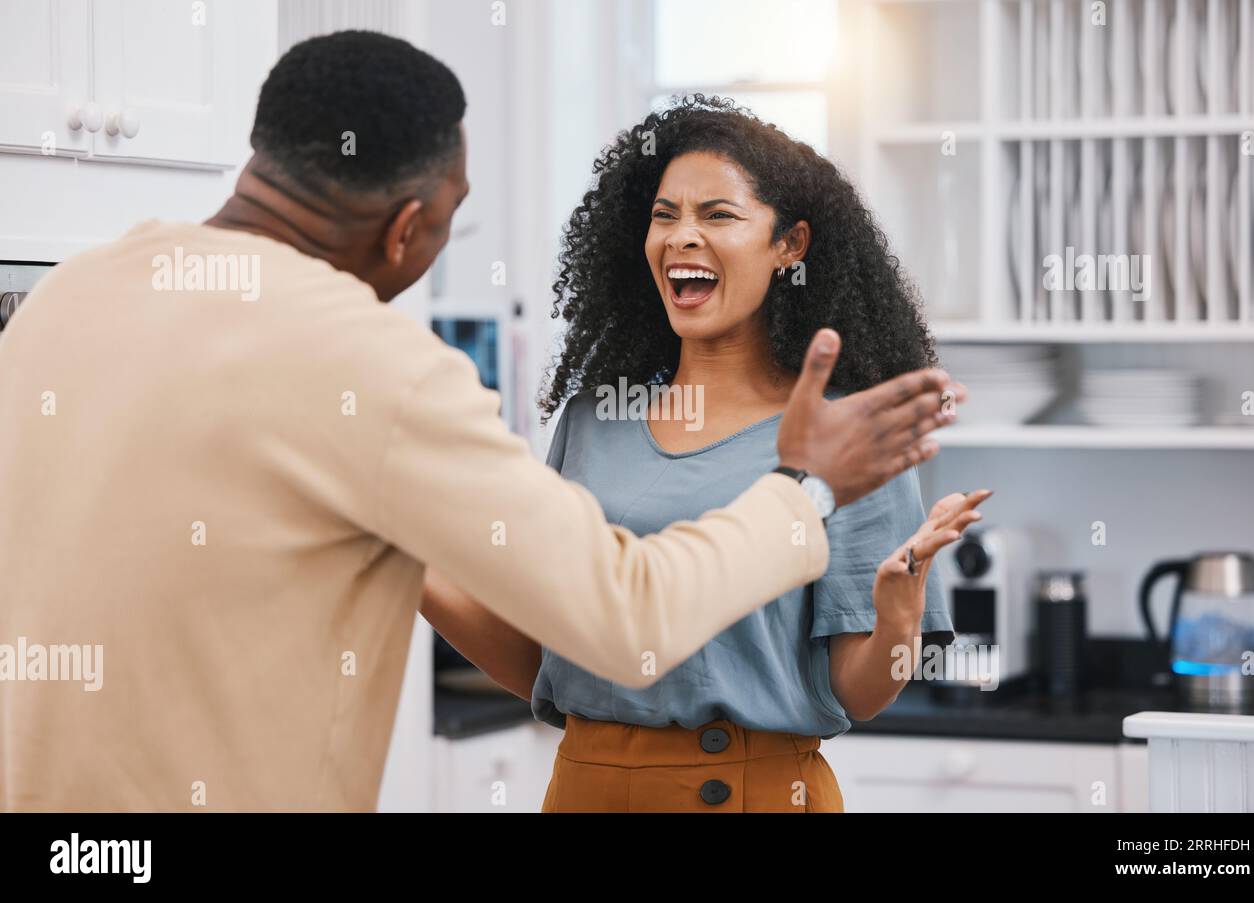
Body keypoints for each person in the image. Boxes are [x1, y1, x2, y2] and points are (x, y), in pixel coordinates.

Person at [0, 33, 961, 812]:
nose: (681, 238)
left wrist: (396, 537)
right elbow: (627, 617)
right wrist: (808, 487)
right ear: (403, 229)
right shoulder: (379, 371)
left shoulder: (62, 300)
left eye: (717, 214)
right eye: (453, 219)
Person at [421, 97, 990, 812]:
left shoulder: (842, 432)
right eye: (665, 216)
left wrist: (898, 615)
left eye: (718, 215)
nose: (682, 236)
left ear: (791, 244)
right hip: (585, 788)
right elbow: (547, 655)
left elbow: (859, 690)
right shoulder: (597, 420)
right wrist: (404, 559)